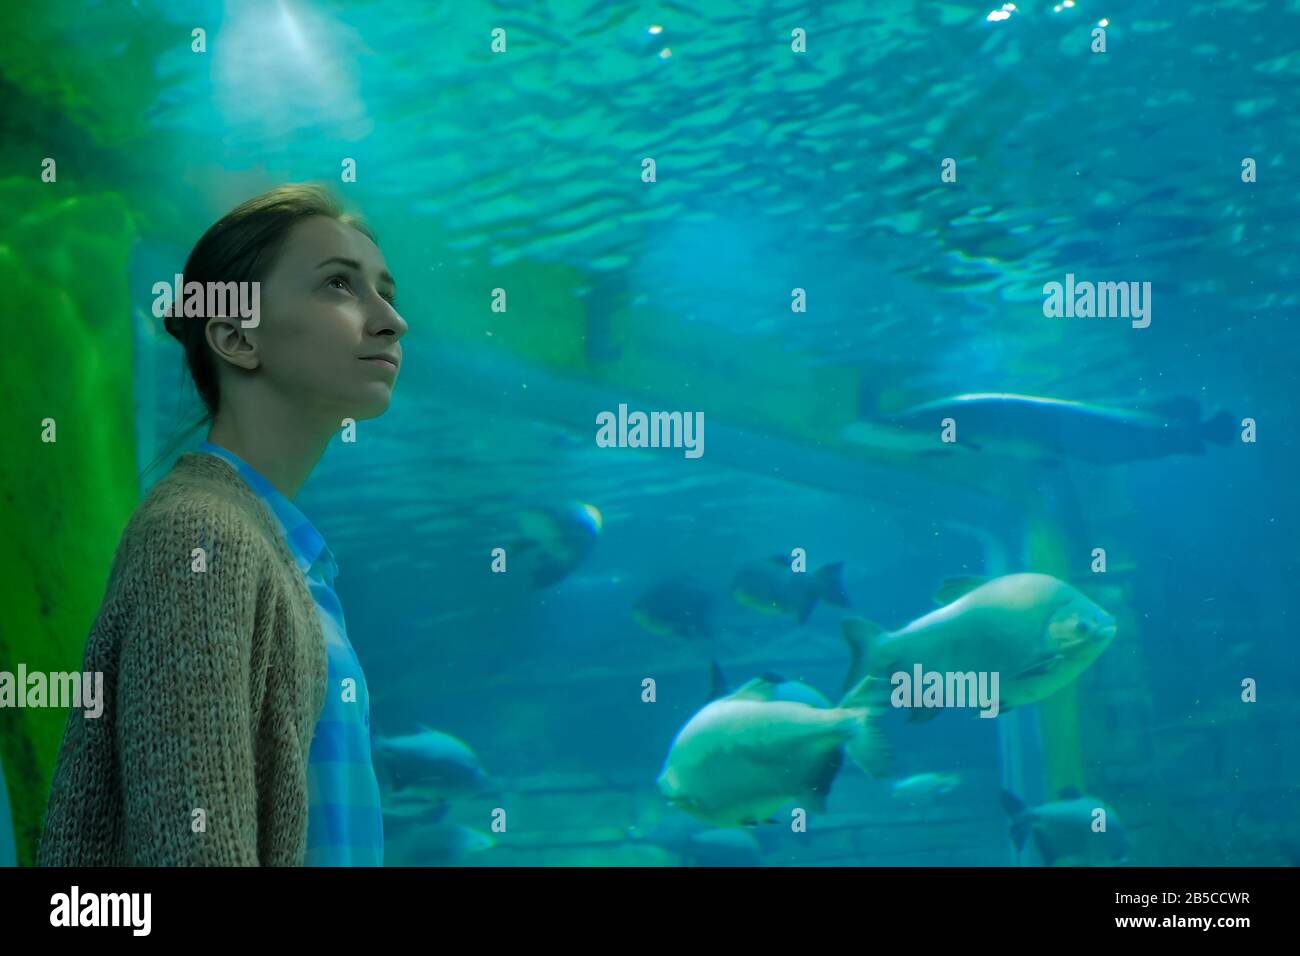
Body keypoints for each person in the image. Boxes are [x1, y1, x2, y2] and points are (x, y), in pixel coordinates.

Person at [39, 183, 406, 865]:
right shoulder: (200, 538)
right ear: (236, 336)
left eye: (388, 292)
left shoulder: (283, 555)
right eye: (339, 285)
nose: (391, 321)